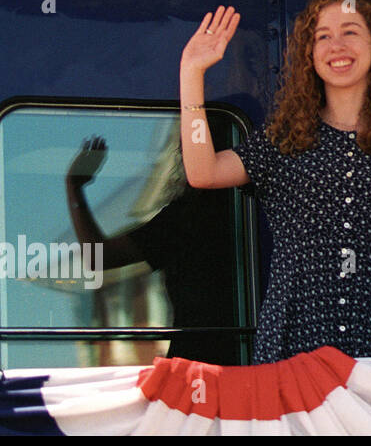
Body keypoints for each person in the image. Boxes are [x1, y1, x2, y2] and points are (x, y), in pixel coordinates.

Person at [179, 0, 371, 363]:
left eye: (350, 31)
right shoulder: (285, 138)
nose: (336, 45)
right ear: (309, 54)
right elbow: (203, 172)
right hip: (293, 343)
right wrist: (192, 74)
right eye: (322, 36)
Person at [65, 135, 242, 364]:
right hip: (247, 359)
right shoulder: (256, 208)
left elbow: (99, 256)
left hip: (197, 364)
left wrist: (74, 186)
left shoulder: (188, 218)